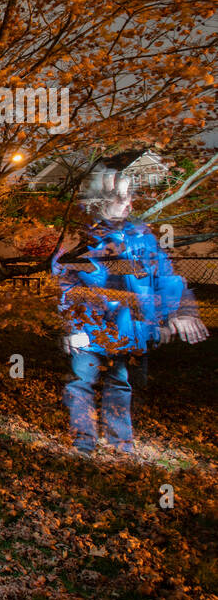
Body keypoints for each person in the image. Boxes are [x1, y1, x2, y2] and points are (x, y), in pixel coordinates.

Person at [52, 167, 208, 454]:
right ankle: (83, 444)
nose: (129, 203)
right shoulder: (80, 238)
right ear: (100, 200)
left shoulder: (141, 236)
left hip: (127, 331)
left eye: (130, 197)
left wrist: (181, 312)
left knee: (120, 384)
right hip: (90, 332)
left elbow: (165, 277)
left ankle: (120, 444)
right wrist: (75, 328)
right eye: (121, 197)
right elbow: (68, 286)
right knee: (82, 384)